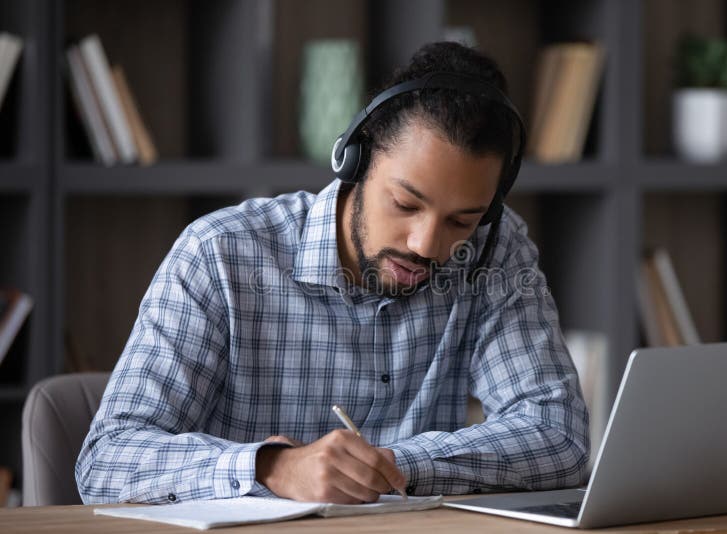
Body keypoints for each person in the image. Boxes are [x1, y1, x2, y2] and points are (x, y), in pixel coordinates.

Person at [76, 41, 590, 505]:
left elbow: (558, 435)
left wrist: (391, 465)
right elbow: (108, 458)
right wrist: (271, 468)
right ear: (354, 160)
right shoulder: (219, 254)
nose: (428, 245)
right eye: (406, 204)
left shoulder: (492, 251)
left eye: (462, 219)